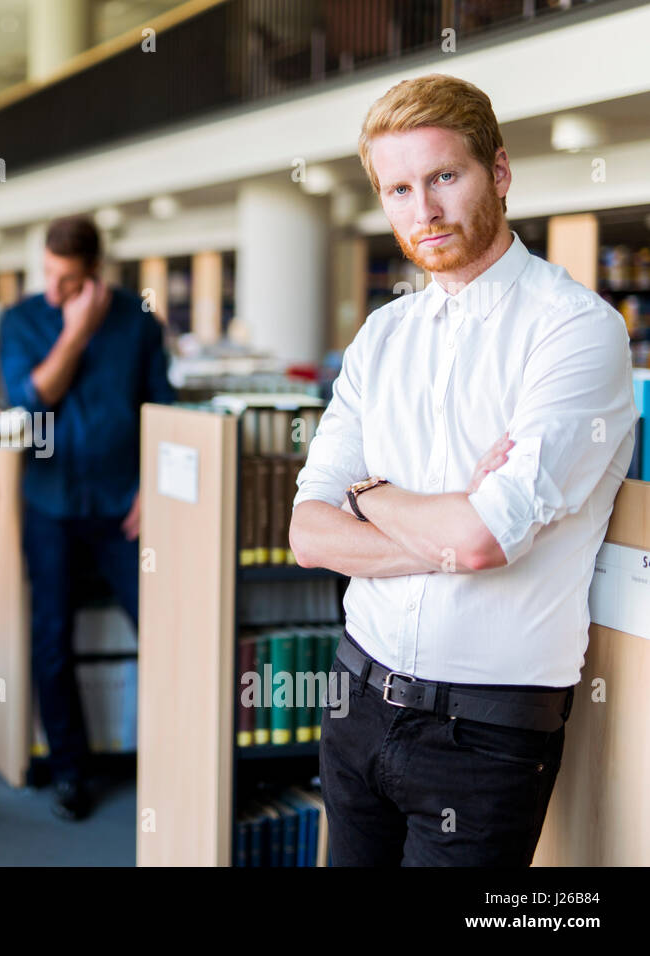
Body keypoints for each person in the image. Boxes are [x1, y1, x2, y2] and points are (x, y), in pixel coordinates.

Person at [289, 74, 637, 866]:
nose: (425, 210)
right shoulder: (382, 338)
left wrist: (369, 493)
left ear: (500, 171)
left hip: (484, 735)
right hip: (355, 698)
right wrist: (444, 521)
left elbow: (481, 539)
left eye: (445, 176)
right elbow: (308, 534)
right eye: (400, 189)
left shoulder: (576, 332)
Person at [0, 215, 176, 821]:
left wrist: (153, 488)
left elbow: (163, 409)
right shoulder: (22, 319)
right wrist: (74, 332)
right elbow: (31, 399)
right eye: (47, 275)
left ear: (96, 274)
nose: (54, 290)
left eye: (68, 280)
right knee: (51, 639)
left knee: (164, 630)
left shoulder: (137, 321)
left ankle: (173, 759)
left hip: (123, 505)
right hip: (49, 504)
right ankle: (70, 772)